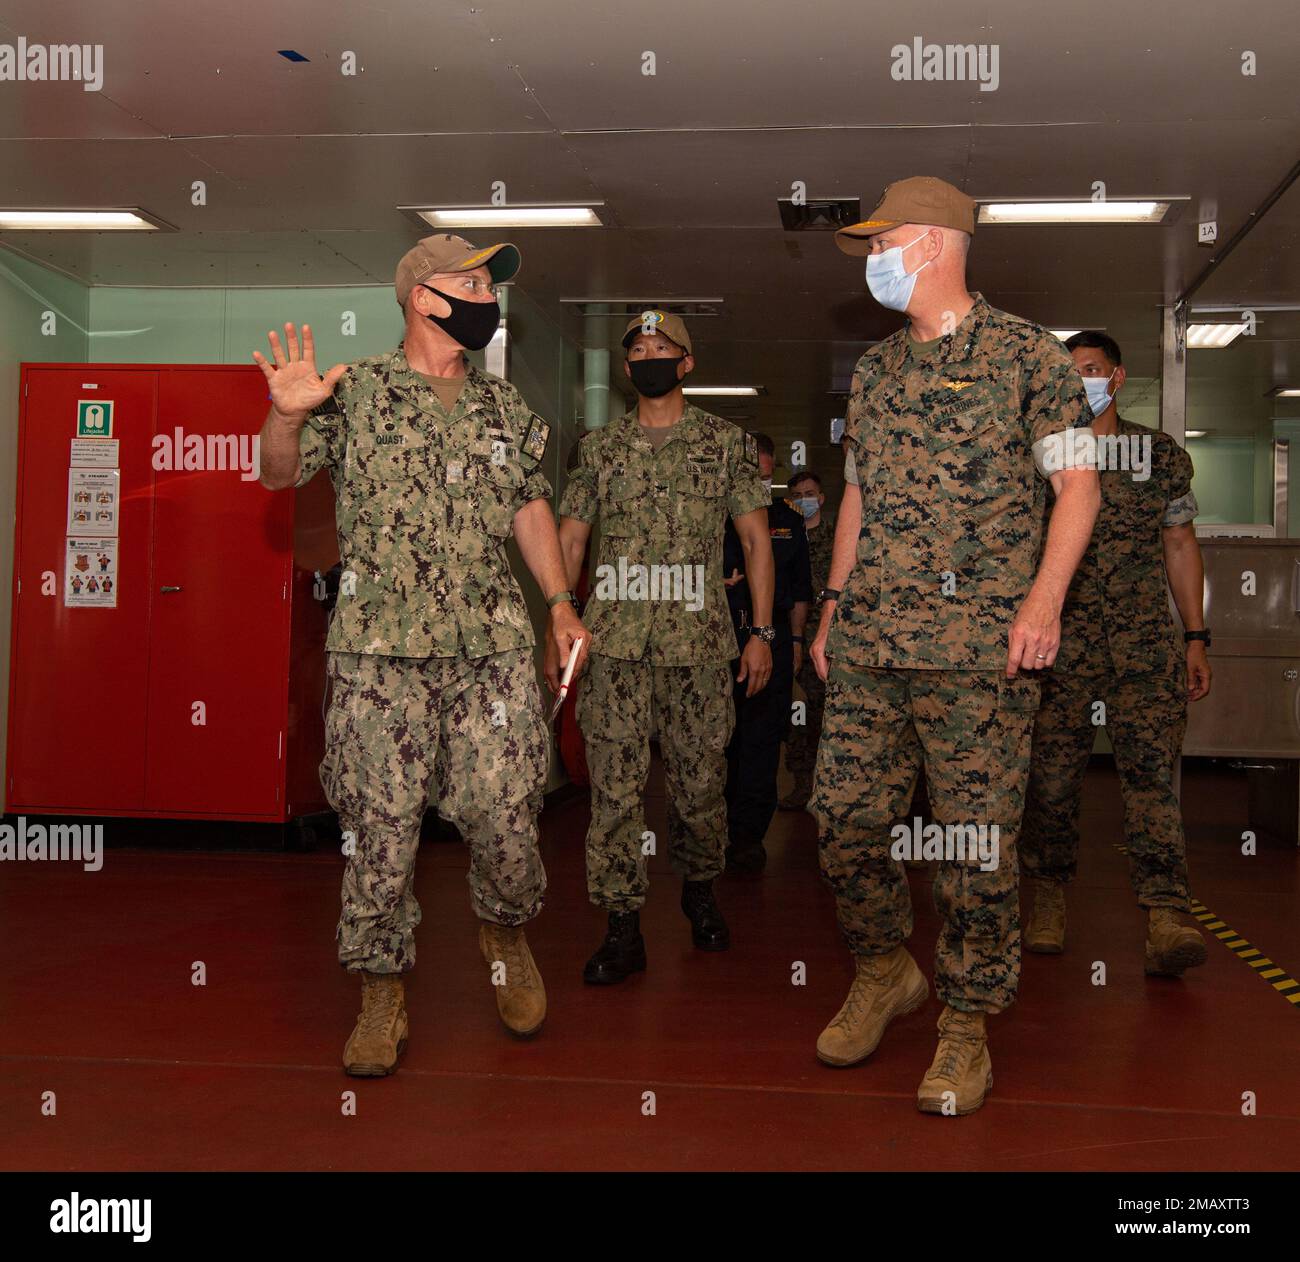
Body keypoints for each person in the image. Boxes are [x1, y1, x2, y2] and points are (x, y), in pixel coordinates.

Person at [256, 233, 588, 1076]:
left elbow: (530, 507)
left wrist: (558, 604)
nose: (486, 295)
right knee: (379, 833)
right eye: (470, 280)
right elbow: (277, 476)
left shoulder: (505, 408)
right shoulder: (355, 391)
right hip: (379, 653)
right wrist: (285, 416)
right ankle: (380, 994)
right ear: (419, 295)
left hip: (491, 650)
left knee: (509, 819)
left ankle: (505, 933)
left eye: (490, 283)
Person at [809, 176, 1100, 1115]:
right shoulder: (876, 370)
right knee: (844, 819)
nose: (874, 263)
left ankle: (966, 1025)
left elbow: (1079, 491)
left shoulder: (1031, 359)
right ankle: (887, 967)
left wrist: (1043, 604)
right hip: (871, 642)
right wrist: (832, 605)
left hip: (982, 653)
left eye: (882, 244)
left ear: (930, 243)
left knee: (973, 844)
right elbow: (856, 493)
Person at [554, 310, 774, 983]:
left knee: (700, 785)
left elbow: (756, 540)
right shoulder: (598, 449)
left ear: (686, 363)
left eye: (662, 348)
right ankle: (621, 927)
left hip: (699, 645)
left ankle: (700, 891)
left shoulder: (726, 444)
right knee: (614, 794)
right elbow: (571, 537)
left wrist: (761, 633)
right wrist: (559, 619)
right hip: (614, 643)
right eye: (638, 350)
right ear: (627, 369)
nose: (649, 357)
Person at [1021, 331, 1211, 975]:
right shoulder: (1039, 457)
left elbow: (1180, 546)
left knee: (1153, 780)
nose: (1084, 382)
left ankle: (1166, 913)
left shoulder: (1158, 456)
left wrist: (1195, 634)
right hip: (1058, 648)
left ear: (1119, 376)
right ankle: (1047, 895)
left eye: (1094, 370)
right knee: (1049, 782)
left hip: (1143, 648)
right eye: (1071, 373)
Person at [722, 434, 812, 872]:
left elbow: (798, 590)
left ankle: (748, 836)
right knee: (718, 741)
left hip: (771, 639)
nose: (757, 485)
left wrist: (794, 643)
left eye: (764, 476)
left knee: (761, 741)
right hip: (718, 641)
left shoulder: (787, 522)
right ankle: (712, 829)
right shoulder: (713, 519)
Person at [781, 469, 836, 811]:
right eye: (799, 495)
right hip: (795, 642)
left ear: (822, 497)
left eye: (811, 493)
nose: (806, 500)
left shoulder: (836, 541)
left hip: (832, 643)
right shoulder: (786, 543)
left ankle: (830, 791)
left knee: (831, 721)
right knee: (798, 719)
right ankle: (802, 785)